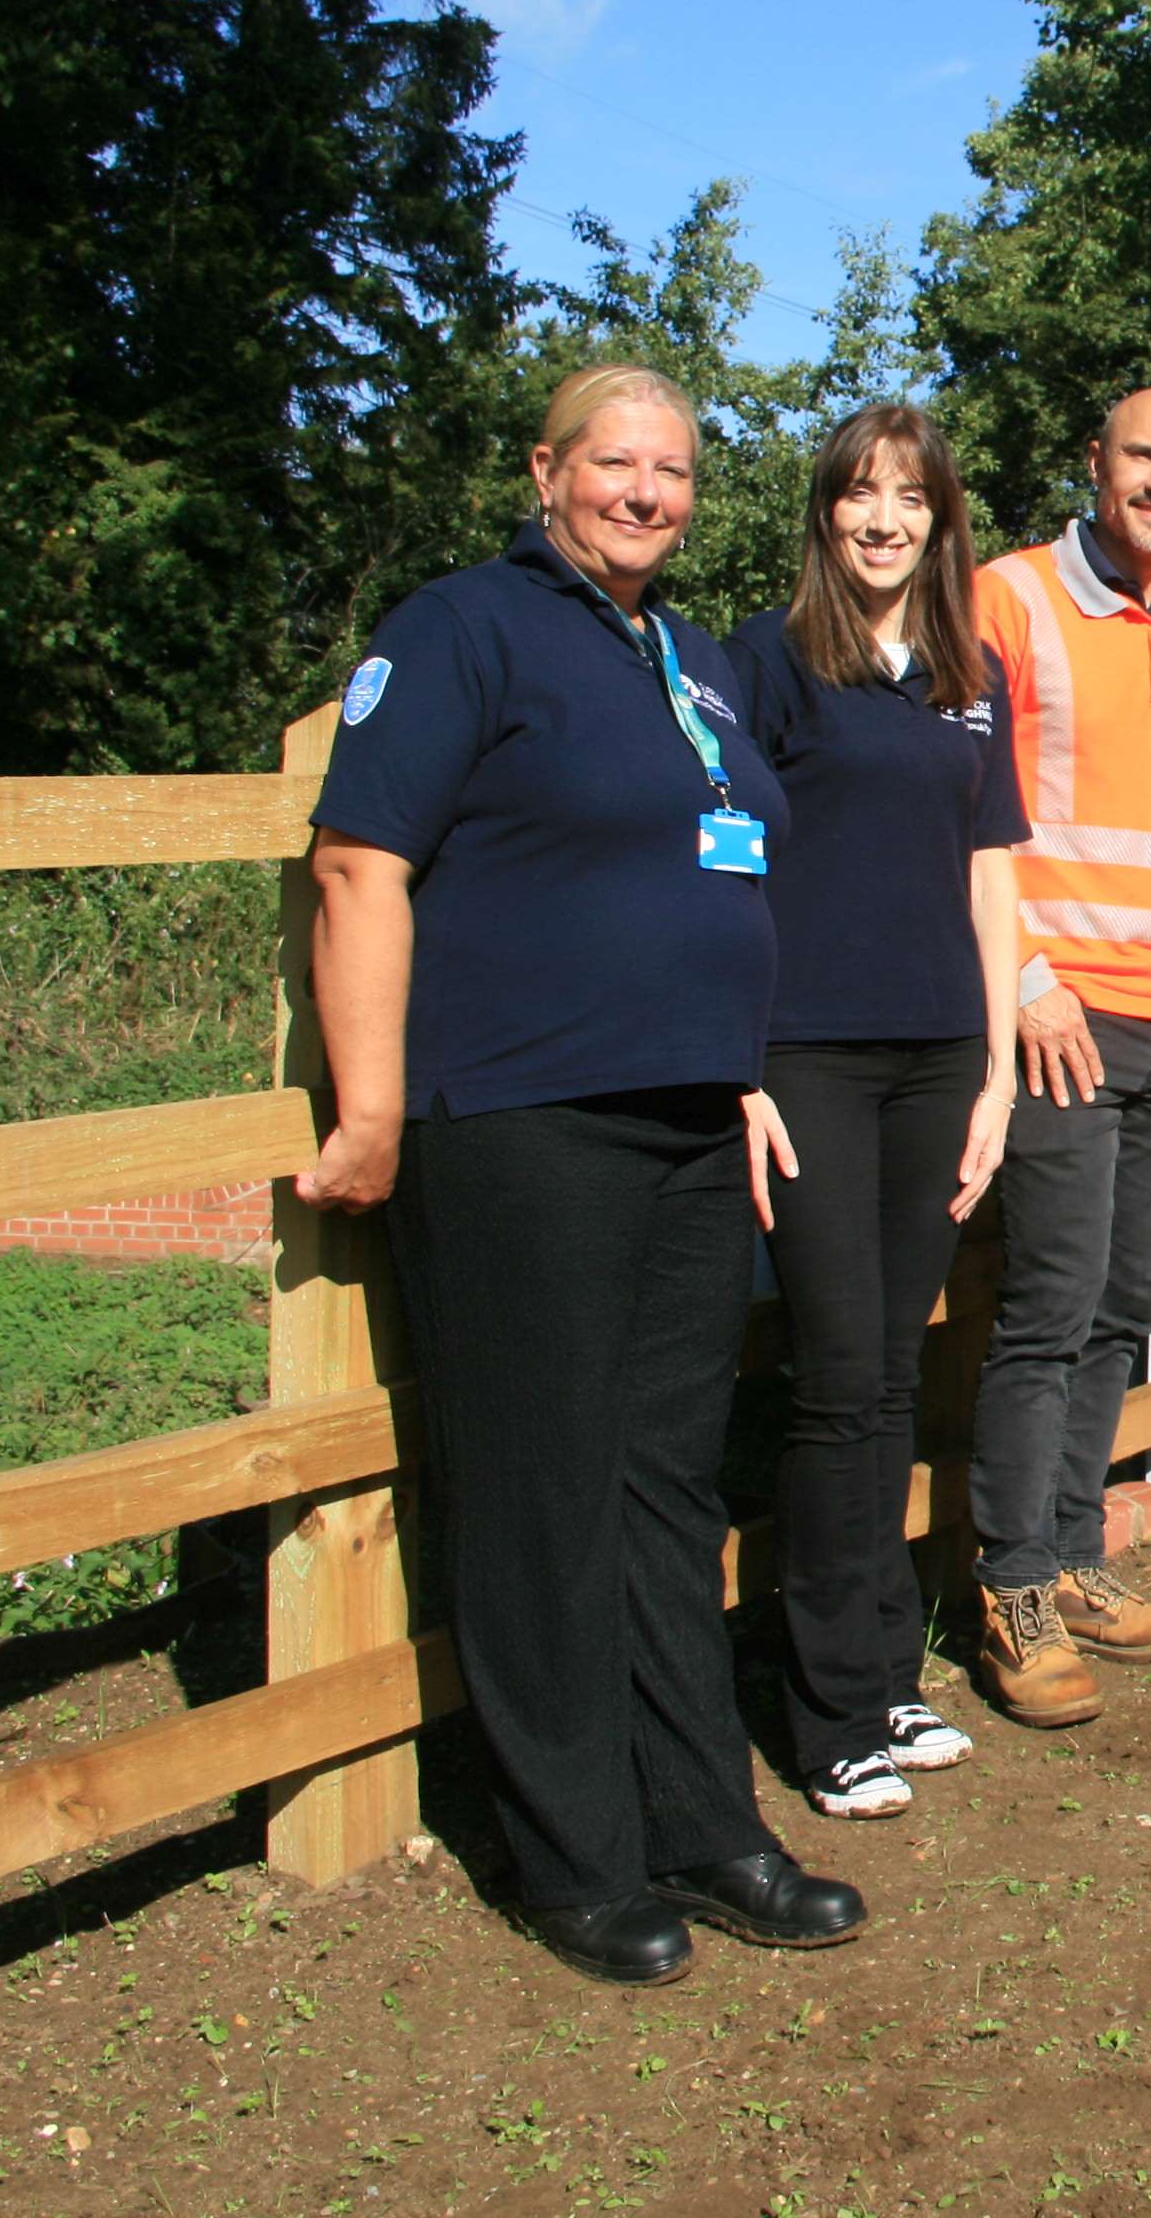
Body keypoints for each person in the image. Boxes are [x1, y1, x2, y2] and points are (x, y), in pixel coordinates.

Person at [298, 363, 865, 1987]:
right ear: (545, 469)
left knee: (664, 1486)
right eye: (616, 462)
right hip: (521, 1115)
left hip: (690, 1125)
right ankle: (572, 1851)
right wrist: (371, 1101)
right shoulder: (464, 629)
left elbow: (716, 869)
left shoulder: (689, 656)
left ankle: (701, 1818)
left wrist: (739, 1069)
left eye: (674, 470)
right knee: (541, 1483)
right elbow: (360, 862)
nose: (646, 491)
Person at [726, 405, 1024, 1819]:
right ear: (824, 514)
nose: (885, 519)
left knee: (899, 1375)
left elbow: (991, 876)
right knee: (841, 1378)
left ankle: (883, 1673)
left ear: (943, 518)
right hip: (811, 1058)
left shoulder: (974, 674)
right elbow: (719, 861)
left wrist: (999, 1072)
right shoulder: (766, 663)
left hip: (938, 1059)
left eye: (910, 496)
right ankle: (828, 1709)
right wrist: (738, 1059)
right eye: (860, 494)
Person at [958, 385, 1151, 1727]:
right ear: (1096, 463)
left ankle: (1076, 1556)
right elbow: (964, 809)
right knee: (1049, 1306)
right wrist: (1020, 982)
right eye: (1143, 455)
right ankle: (1010, 1582)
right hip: (1060, 1017)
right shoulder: (1006, 600)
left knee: (1125, 1301)